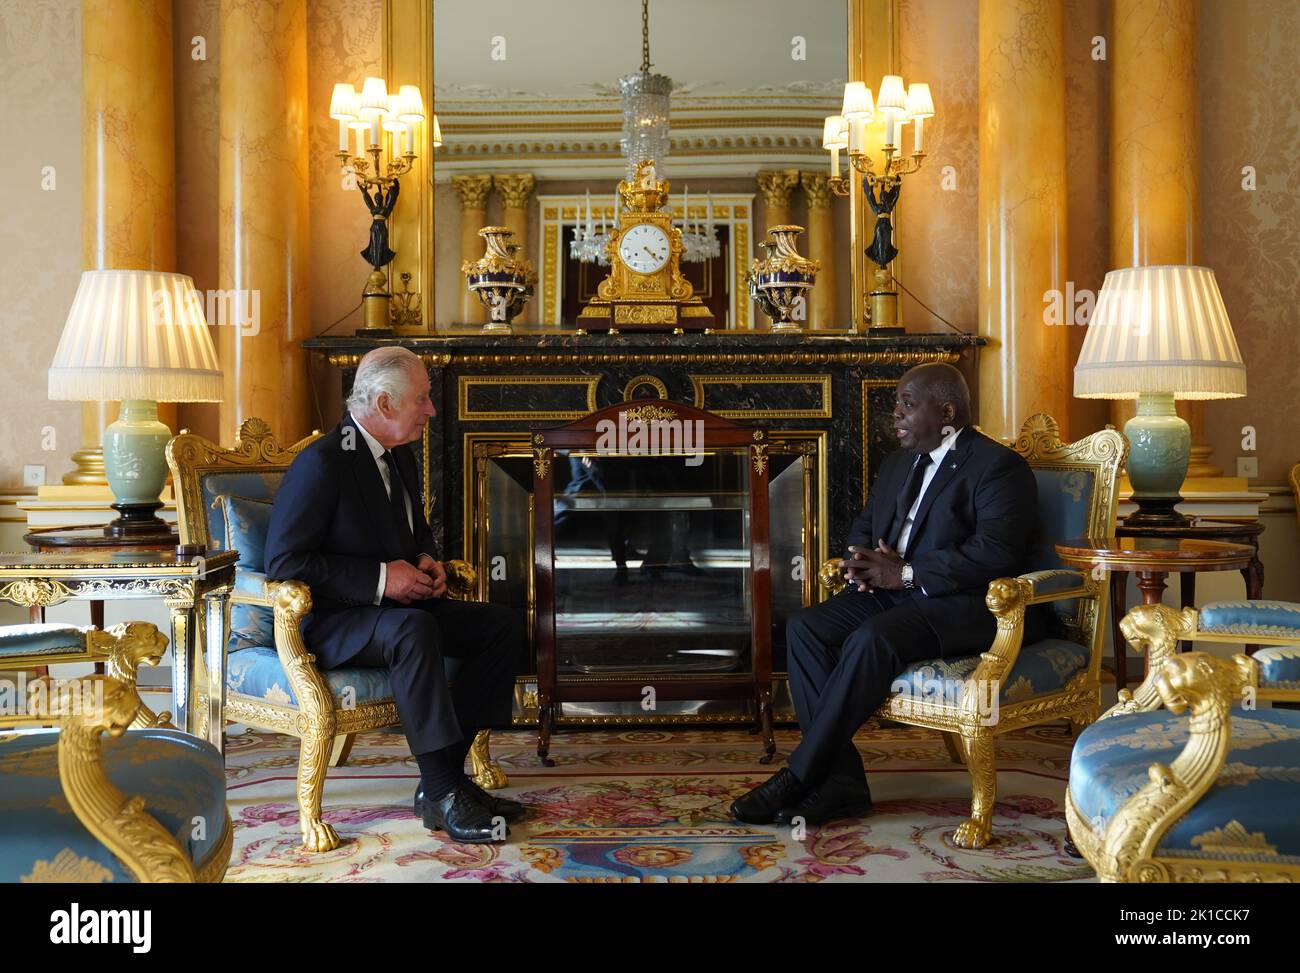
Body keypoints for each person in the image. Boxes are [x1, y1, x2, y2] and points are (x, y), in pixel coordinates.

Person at [730, 363, 1039, 827]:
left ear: (947, 410)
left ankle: (801, 773)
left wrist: (908, 573)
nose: (895, 413)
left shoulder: (997, 467)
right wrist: (861, 562)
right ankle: (842, 783)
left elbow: (995, 551)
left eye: (908, 404)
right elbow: (867, 524)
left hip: (962, 604)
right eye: (897, 402)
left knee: (870, 638)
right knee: (806, 628)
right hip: (895, 593)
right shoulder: (899, 462)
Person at [265, 346, 525, 844]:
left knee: (501, 626)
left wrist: (430, 563)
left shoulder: (398, 453)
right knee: (415, 628)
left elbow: (413, 534)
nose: (431, 410)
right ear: (384, 405)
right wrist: (383, 579)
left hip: (395, 612)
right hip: (336, 621)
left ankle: (440, 783)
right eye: (422, 399)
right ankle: (447, 790)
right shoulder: (322, 463)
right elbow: (285, 563)